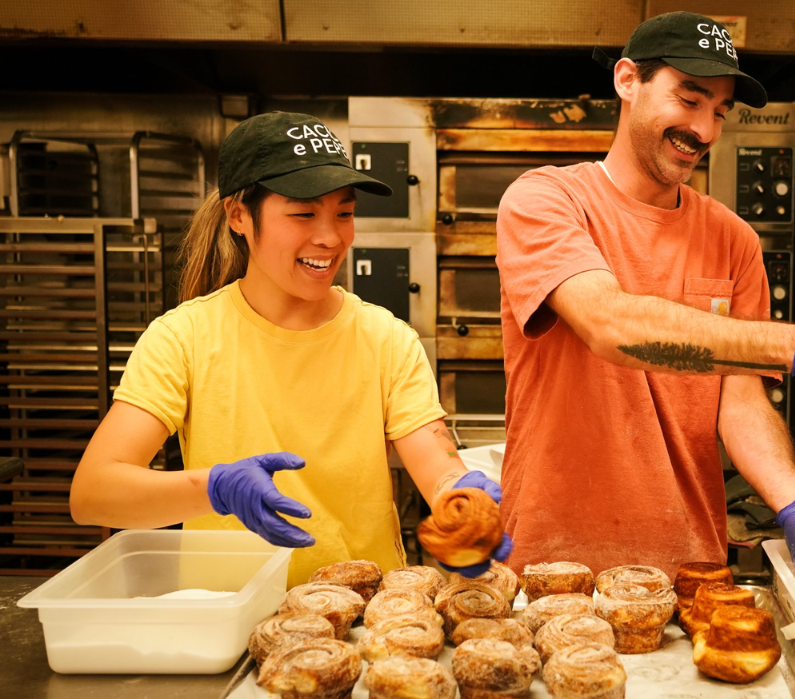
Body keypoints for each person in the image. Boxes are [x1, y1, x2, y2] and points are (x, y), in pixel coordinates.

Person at [495, 11, 795, 597]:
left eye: (719, 111)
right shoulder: (546, 200)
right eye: (689, 99)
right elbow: (607, 323)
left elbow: (738, 398)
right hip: (551, 566)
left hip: (689, 572)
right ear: (627, 81)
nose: (706, 130)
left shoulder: (733, 239)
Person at [70, 112, 510, 587]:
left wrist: (460, 496)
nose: (331, 237)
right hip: (228, 619)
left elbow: (435, 466)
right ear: (238, 215)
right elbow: (93, 493)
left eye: (344, 212)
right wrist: (215, 489)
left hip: (366, 624)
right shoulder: (184, 338)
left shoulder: (386, 338)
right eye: (304, 213)